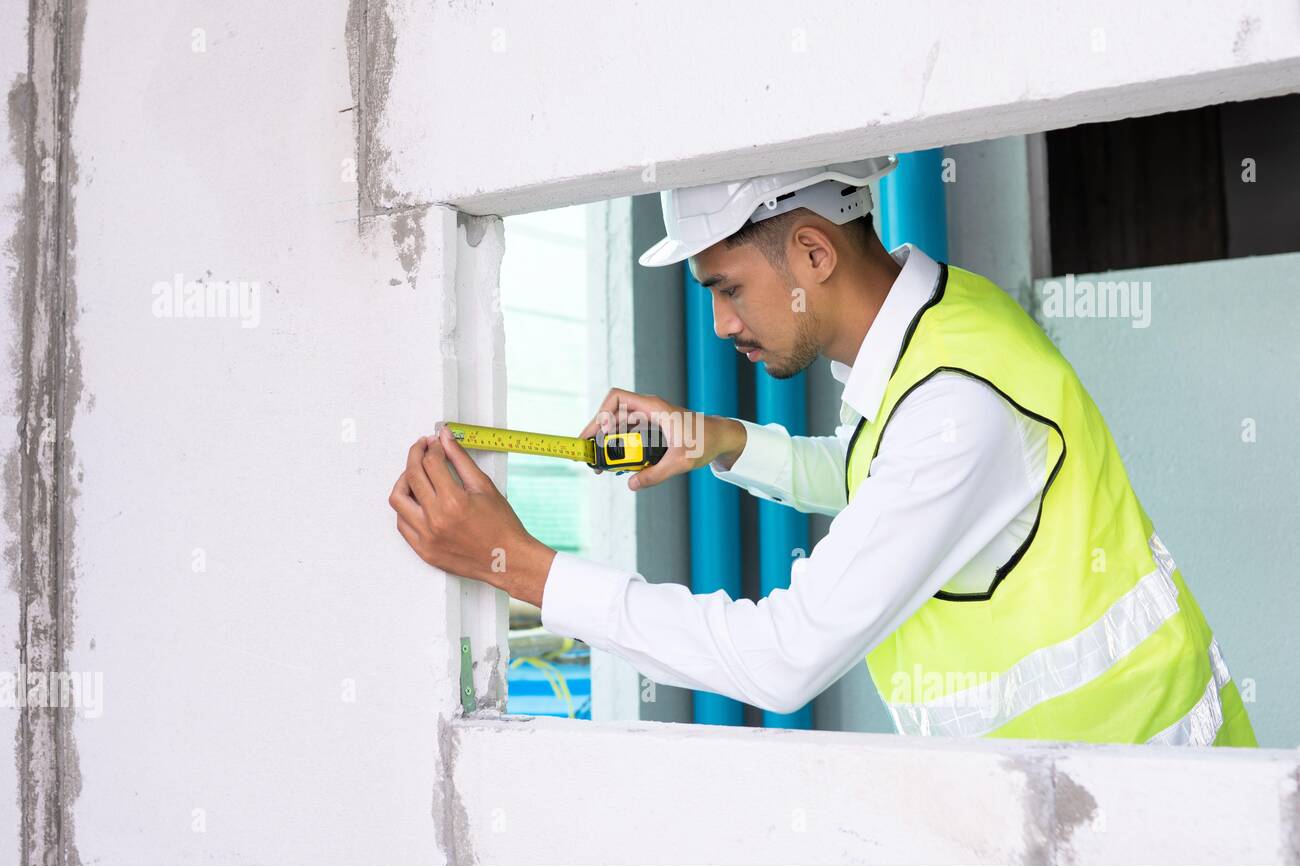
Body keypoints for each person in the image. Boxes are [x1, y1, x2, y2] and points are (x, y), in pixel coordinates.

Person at [389, 157, 1257, 747]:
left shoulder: (956, 409)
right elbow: (871, 476)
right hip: (1081, 793)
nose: (722, 323)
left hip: (1149, 824)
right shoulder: (948, 319)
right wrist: (711, 438)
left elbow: (781, 657)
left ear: (811, 250)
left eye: (728, 289)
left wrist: (523, 568)